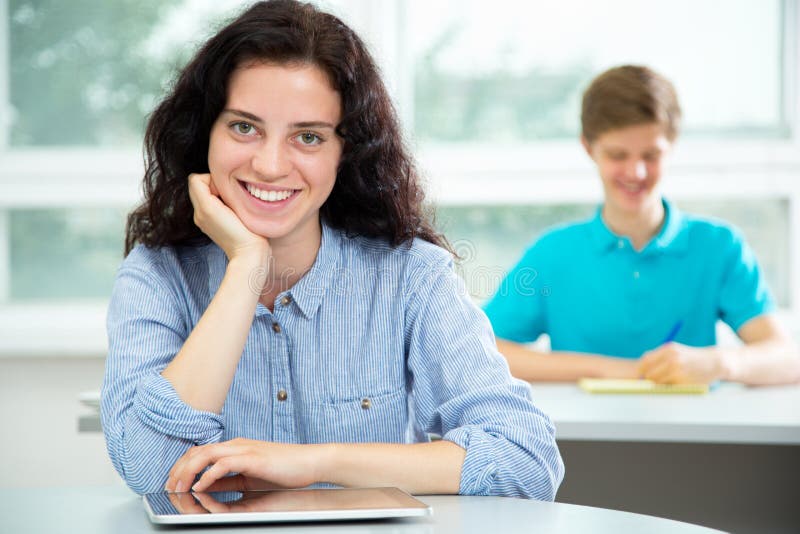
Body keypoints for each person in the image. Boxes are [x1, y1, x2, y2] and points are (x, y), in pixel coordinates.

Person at [101, 0, 563, 499]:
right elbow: (150, 470)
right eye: (244, 127)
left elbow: (526, 461)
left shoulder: (411, 274)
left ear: (347, 153)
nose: (271, 165)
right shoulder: (157, 275)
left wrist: (315, 462)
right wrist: (246, 269)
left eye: (308, 137)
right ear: (203, 134)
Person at [484, 65, 800, 386]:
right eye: (618, 155)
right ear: (588, 147)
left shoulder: (719, 247)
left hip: (693, 434)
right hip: (582, 437)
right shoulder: (552, 254)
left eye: (650, 155)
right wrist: (610, 369)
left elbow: (788, 358)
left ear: (672, 145)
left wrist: (720, 363)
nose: (635, 172)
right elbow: (485, 349)